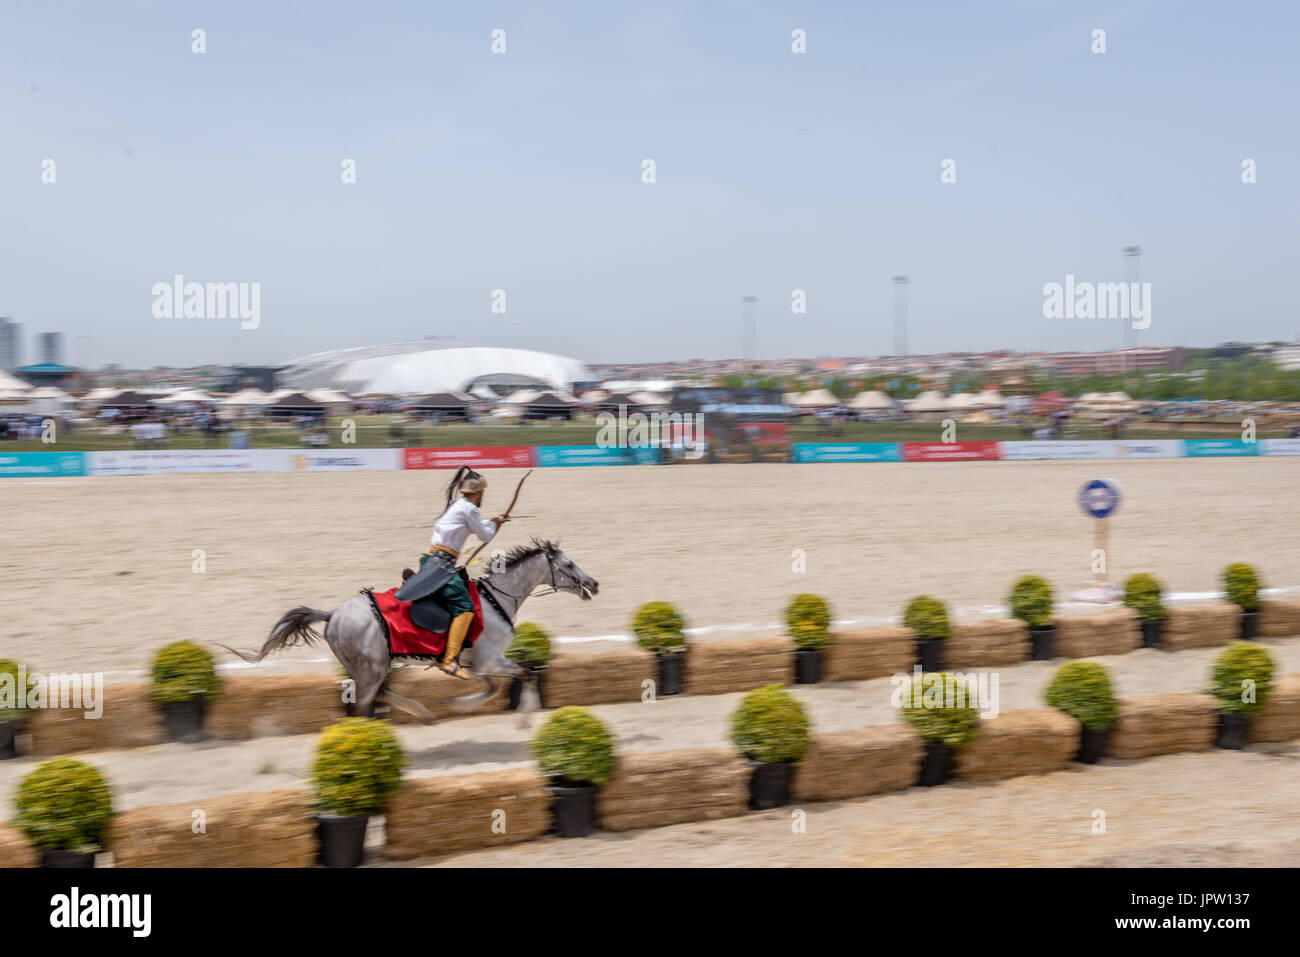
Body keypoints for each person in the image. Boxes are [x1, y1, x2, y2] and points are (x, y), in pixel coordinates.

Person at [394, 466, 510, 678]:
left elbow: (475, 527)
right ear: (478, 493)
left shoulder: (456, 504)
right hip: (443, 566)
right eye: (482, 493)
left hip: (431, 559)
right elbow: (484, 536)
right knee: (465, 609)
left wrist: (492, 522)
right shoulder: (470, 509)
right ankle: (448, 661)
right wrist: (495, 523)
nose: (482, 496)